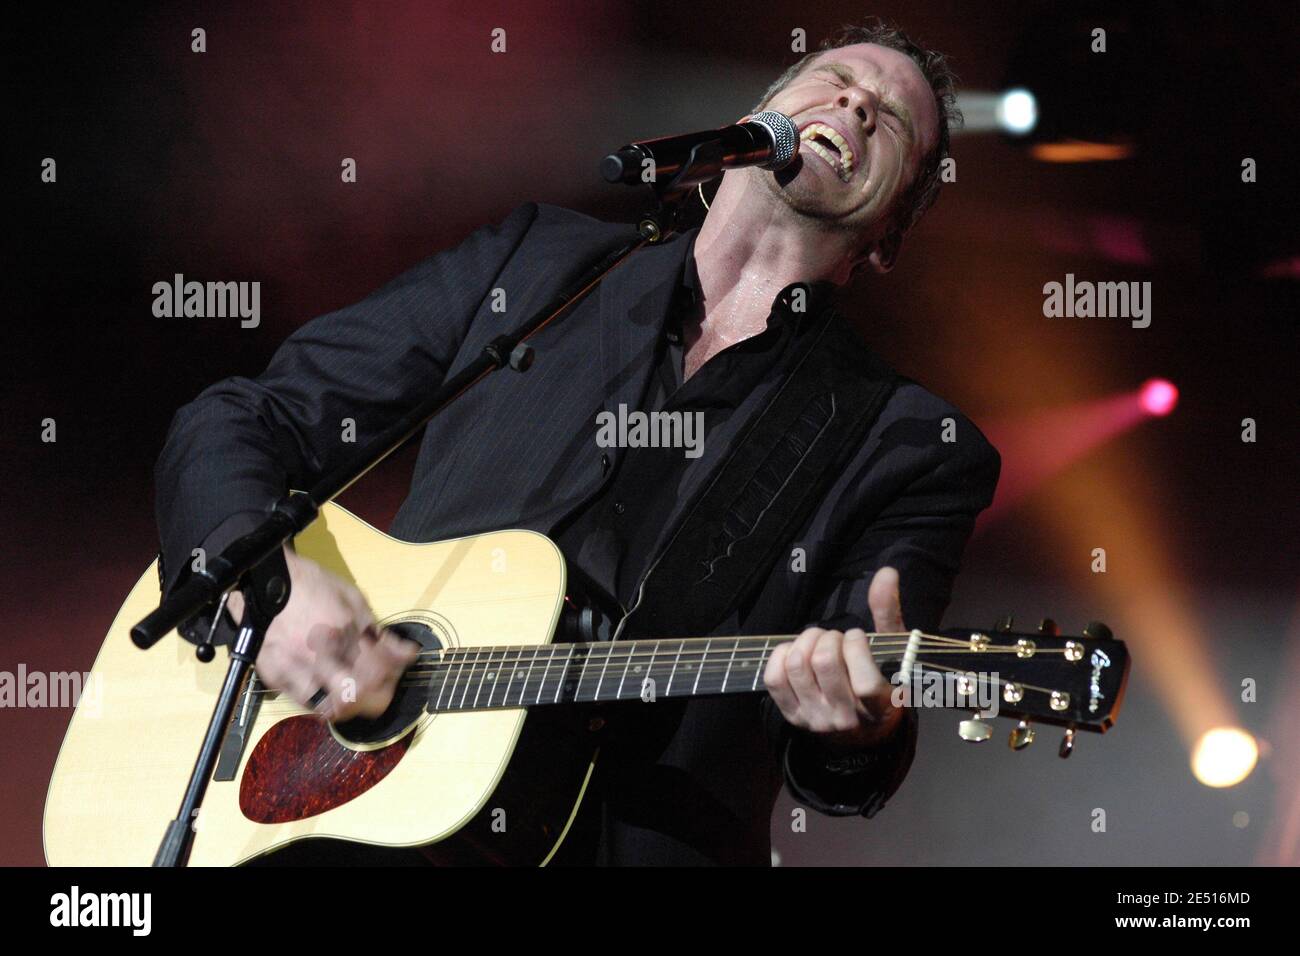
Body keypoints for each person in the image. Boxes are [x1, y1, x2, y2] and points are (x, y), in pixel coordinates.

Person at [153, 19, 999, 865]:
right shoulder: (533, 264)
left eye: (891, 119)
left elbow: (851, 739)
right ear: (759, 112)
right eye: (835, 77)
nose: (854, 102)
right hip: (352, 821)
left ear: (889, 236)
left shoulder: (910, 443)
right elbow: (243, 418)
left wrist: (858, 731)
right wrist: (266, 584)